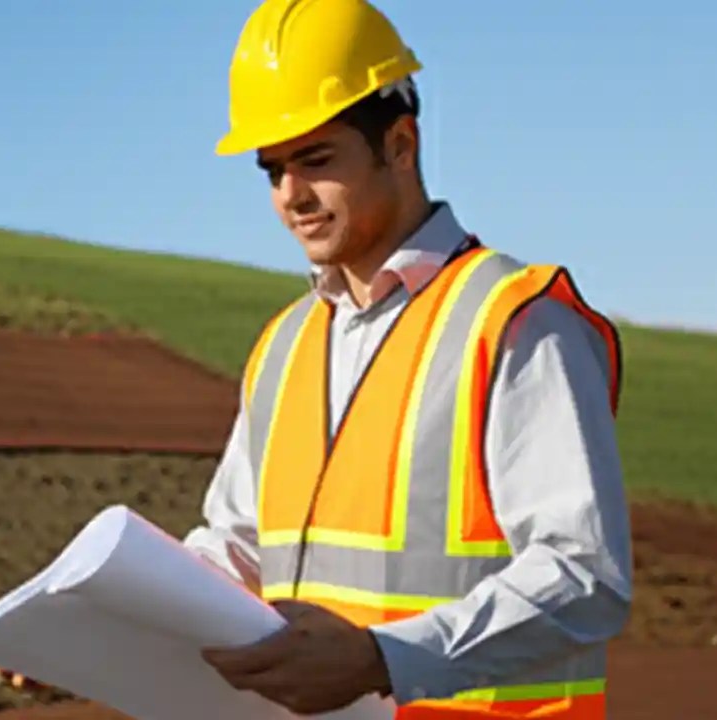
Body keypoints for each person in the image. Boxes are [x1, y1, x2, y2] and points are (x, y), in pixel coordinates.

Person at [182, 0, 633, 717]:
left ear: (400, 144)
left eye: (316, 159)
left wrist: (383, 660)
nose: (291, 195)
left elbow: (584, 575)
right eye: (272, 171)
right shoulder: (284, 344)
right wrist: (87, 628)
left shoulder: (517, 321)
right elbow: (234, 548)